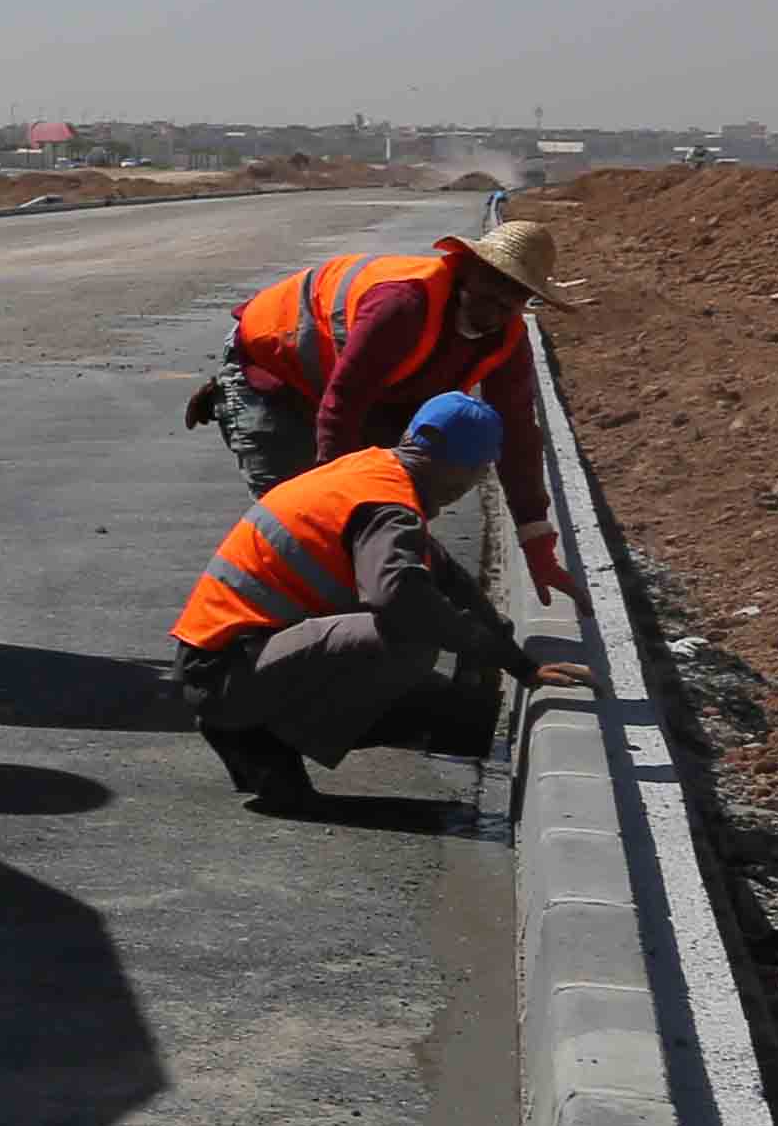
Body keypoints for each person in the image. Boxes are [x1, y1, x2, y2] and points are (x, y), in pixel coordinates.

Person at [171, 388, 585, 808]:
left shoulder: (374, 470)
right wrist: (480, 643)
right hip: (225, 674)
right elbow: (400, 598)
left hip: (226, 659)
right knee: (409, 636)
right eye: (477, 473)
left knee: (430, 680)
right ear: (459, 467)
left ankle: (265, 736)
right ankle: (257, 738)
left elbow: (446, 577)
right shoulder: (388, 506)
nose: (470, 486)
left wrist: (517, 662)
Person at [190, 221, 574, 604]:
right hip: (274, 373)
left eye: (514, 295)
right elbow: (343, 405)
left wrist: (535, 536)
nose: (497, 304)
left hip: (349, 386)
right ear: (468, 267)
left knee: (395, 490)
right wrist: (339, 510)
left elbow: (519, 436)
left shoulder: (506, 341)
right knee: (300, 519)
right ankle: (264, 631)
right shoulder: (404, 306)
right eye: (492, 284)